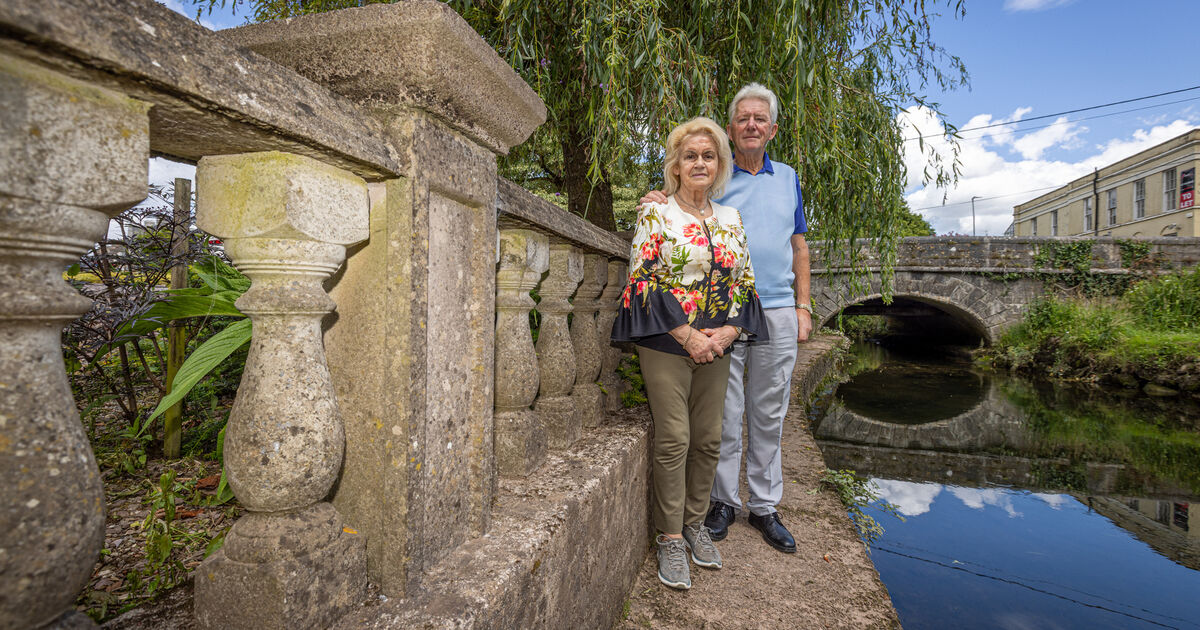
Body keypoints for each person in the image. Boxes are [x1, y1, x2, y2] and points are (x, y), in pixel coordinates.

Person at [641, 83, 812, 554]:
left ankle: (765, 506)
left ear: (773, 129)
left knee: (769, 410)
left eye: (760, 119)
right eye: (743, 119)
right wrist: (658, 197)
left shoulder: (789, 178)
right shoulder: (715, 173)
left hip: (774, 307)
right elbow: (679, 200)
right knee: (725, 412)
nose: (752, 125)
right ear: (731, 129)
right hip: (720, 311)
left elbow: (799, 246)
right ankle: (722, 503)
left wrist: (803, 305)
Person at [611, 116, 767, 590]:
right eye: (690, 155)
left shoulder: (731, 219)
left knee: (709, 440)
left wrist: (726, 333)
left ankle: (696, 524)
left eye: (708, 155)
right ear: (676, 166)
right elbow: (643, 279)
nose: (699, 162)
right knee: (675, 437)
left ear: (719, 165)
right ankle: (671, 538)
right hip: (667, 341)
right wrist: (689, 336)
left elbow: (744, 282)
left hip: (718, 343)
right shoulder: (655, 213)